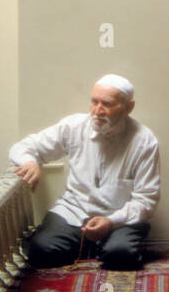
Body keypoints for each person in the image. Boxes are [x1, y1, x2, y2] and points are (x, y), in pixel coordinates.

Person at [9, 74, 160, 271]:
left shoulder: (144, 141)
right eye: (94, 102)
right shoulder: (73, 127)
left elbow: (146, 200)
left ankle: (100, 245)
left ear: (128, 107)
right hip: (74, 210)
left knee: (120, 256)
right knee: (40, 251)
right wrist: (30, 161)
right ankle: (93, 245)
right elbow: (22, 147)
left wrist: (110, 221)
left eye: (106, 104)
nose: (97, 111)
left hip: (120, 219)